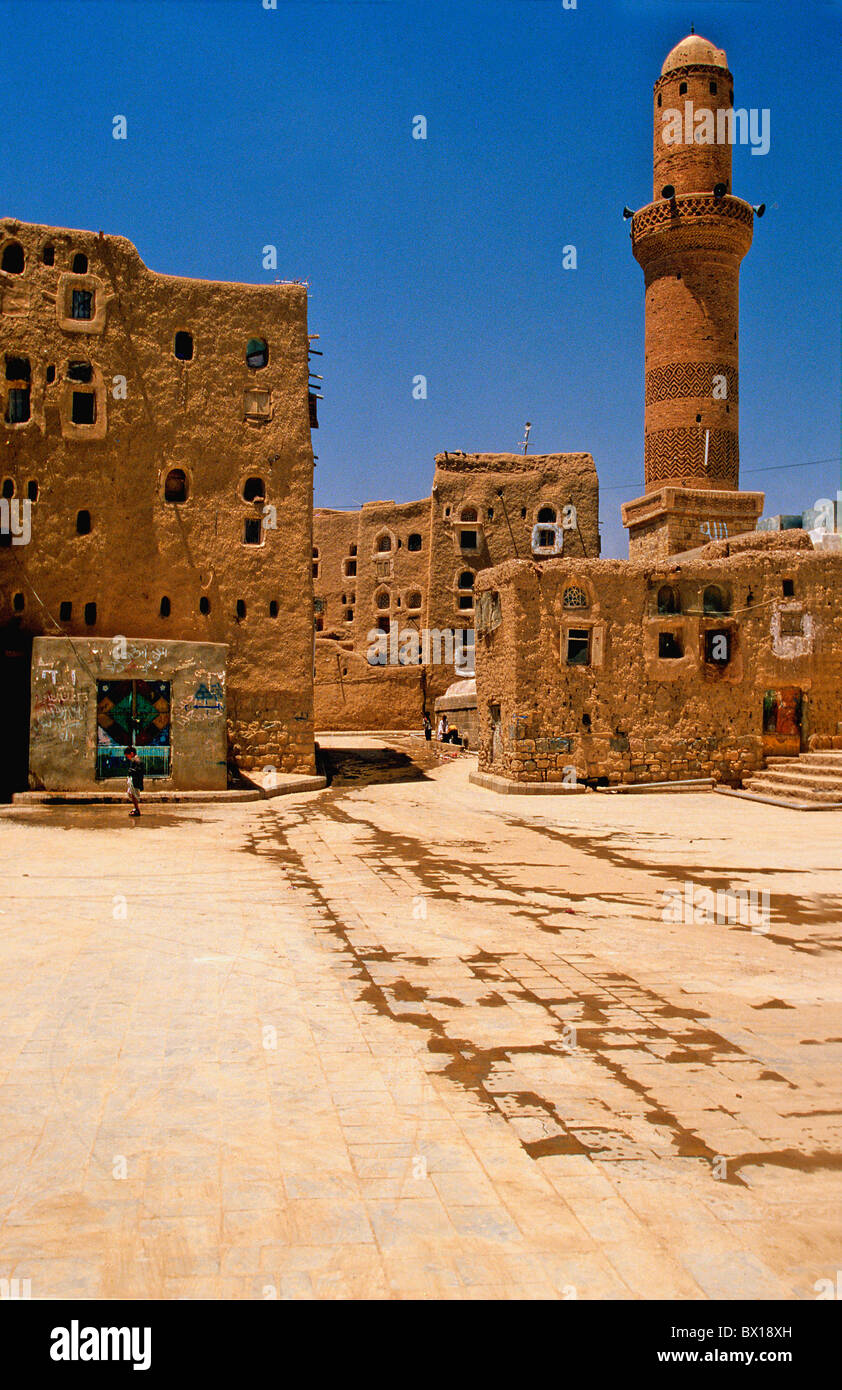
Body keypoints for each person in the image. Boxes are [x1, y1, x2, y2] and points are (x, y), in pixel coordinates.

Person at [125, 745, 144, 817]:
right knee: (132, 794)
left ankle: (137, 810)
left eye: (128, 756)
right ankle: (136, 808)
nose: (127, 758)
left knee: (134, 795)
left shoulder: (137, 760)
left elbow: (139, 771)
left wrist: (131, 771)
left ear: (131, 753)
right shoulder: (135, 760)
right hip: (134, 780)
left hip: (135, 781)